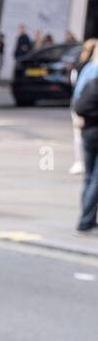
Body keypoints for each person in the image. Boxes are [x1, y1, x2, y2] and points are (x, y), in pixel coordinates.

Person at [74, 41, 98, 232]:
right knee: (95, 180)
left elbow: (79, 101)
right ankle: (85, 220)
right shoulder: (91, 72)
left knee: (89, 177)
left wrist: (82, 117)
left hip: (88, 132)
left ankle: (87, 217)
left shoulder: (91, 74)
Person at [71, 40, 97, 175]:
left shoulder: (85, 66)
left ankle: (79, 162)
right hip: (87, 109)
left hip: (83, 107)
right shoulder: (91, 68)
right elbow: (81, 90)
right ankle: (79, 162)